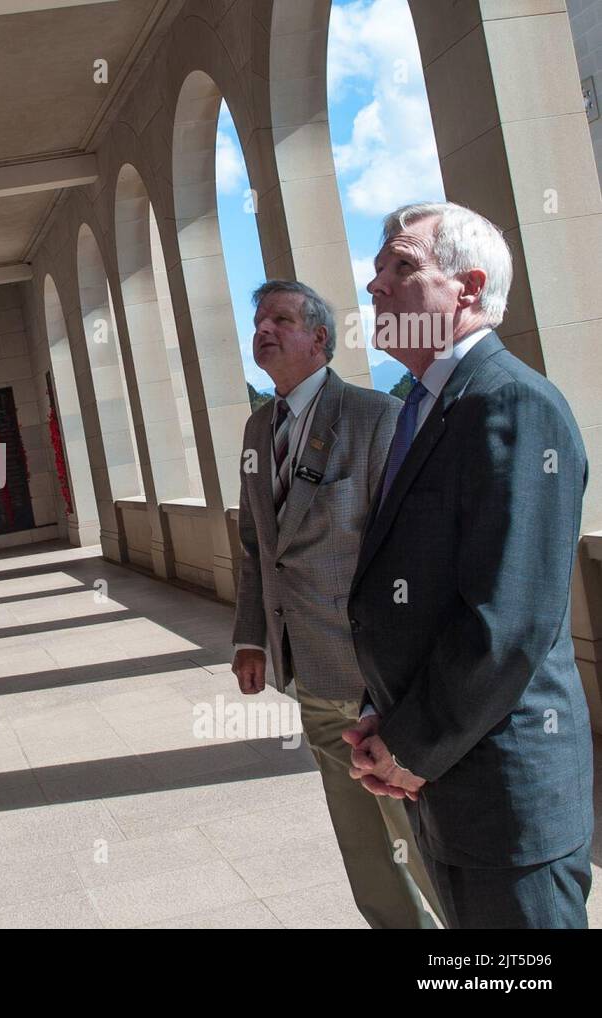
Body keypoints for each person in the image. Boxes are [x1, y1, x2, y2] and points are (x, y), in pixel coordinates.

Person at [343, 201, 593, 928]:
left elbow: (509, 618)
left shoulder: (510, 402)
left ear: (469, 288)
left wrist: (409, 744)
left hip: (504, 788)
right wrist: (383, 716)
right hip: (445, 776)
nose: (375, 285)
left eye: (402, 266)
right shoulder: (425, 405)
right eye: (377, 269)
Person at [232, 280, 442, 928]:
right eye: (259, 321)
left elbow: (414, 551)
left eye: (281, 319)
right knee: (362, 844)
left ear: (320, 338)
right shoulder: (258, 428)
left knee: (417, 835)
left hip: (376, 678)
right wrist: (251, 637)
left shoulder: (376, 417)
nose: (264, 329)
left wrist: (403, 671)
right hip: (311, 672)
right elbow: (255, 544)